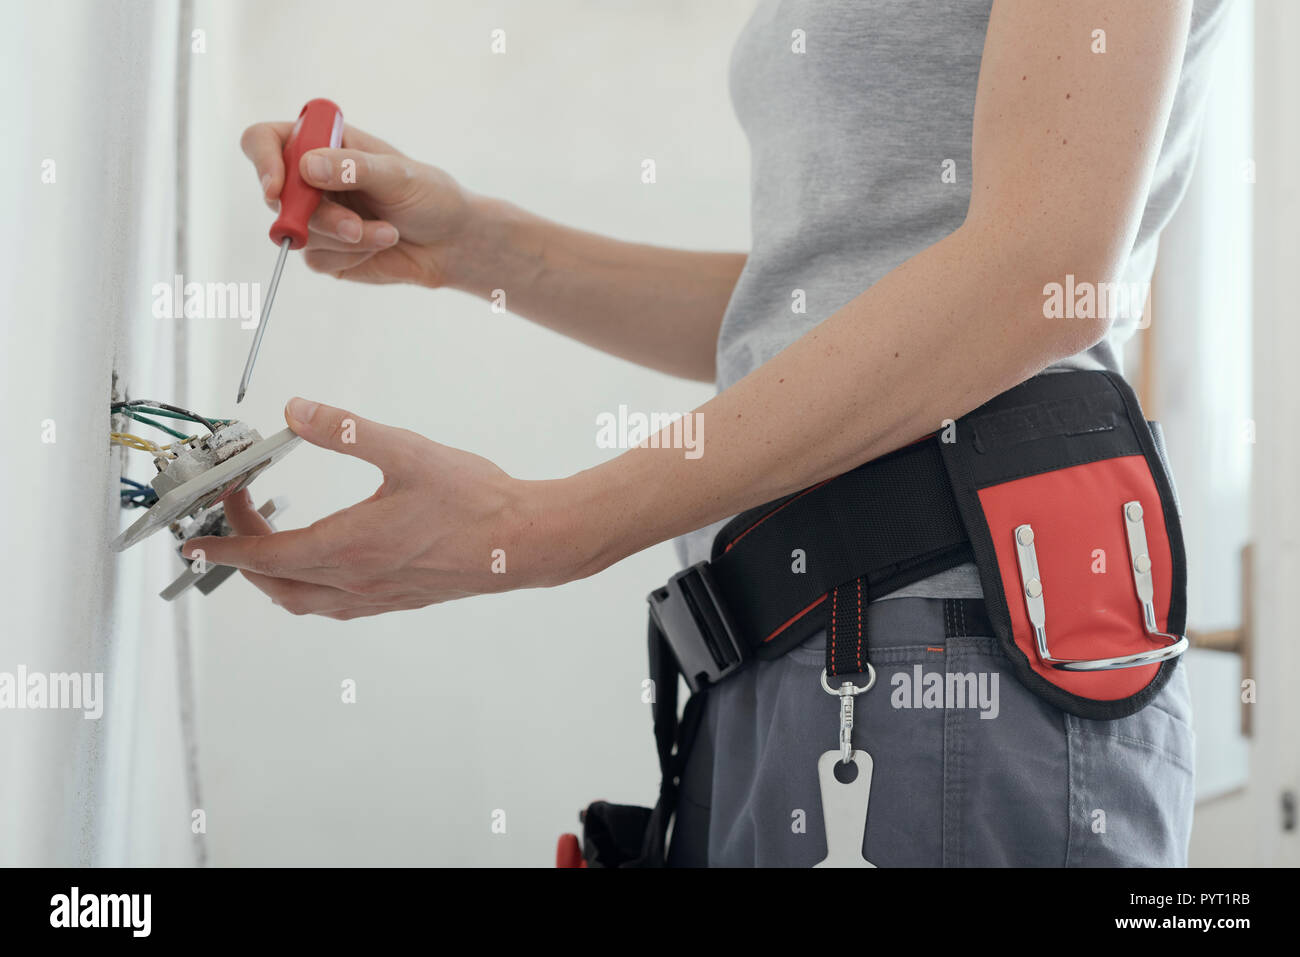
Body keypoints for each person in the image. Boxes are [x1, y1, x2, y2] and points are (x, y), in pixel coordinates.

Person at [193, 0, 1229, 866]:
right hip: (789, 650)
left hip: (950, 642)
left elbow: (1039, 276)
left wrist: (552, 524)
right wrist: (475, 243)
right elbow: (811, 311)